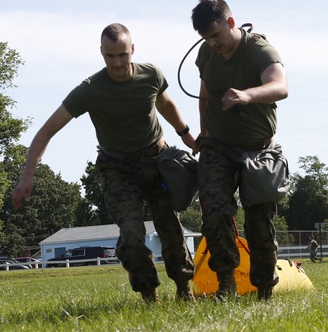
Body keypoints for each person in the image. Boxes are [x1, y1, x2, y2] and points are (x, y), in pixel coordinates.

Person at [12, 23, 198, 304]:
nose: (118, 63)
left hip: (158, 162)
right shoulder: (90, 89)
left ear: (132, 49)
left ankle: (184, 289)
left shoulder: (151, 74)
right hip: (119, 169)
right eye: (110, 56)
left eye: (123, 55)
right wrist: (28, 175)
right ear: (101, 53)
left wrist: (186, 135)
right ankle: (150, 295)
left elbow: (165, 104)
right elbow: (47, 130)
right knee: (132, 234)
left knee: (171, 229)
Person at [191, 0, 289, 300]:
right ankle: (226, 284)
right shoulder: (207, 53)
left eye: (215, 35)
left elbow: (280, 86)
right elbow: (205, 94)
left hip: (258, 150)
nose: (212, 43)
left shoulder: (259, 50)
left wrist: (247, 96)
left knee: (259, 221)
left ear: (230, 23)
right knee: (214, 213)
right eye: (205, 38)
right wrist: (203, 133)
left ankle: (264, 289)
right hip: (218, 147)